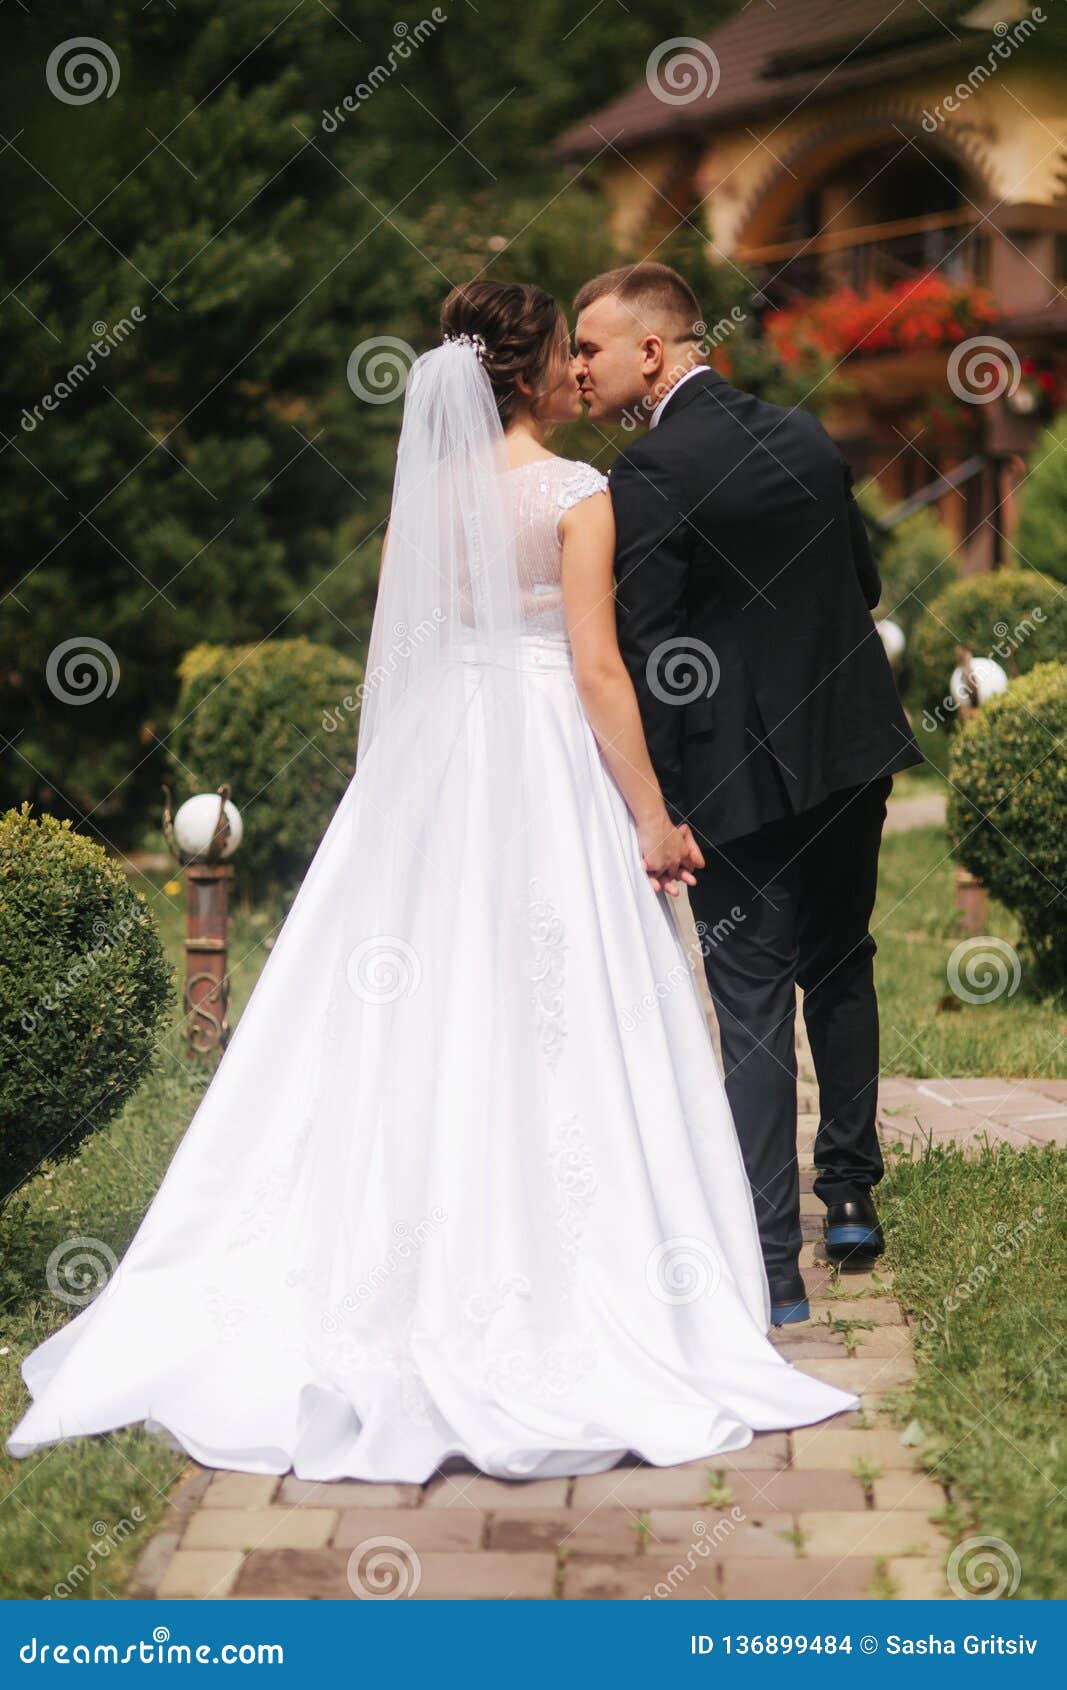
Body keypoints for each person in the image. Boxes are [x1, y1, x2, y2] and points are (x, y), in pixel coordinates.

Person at [8, 280, 856, 1483]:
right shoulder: (578, 494)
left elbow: (395, 658)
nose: (577, 369)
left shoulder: (428, 498)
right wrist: (656, 821)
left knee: (416, 994)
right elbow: (601, 674)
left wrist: (390, 807)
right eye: (566, 351)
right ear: (529, 373)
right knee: (558, 1002)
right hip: (544, 749)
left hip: (435, 760)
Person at [574, 262, 922, 1325]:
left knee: (753, 1003)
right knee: (842, 963)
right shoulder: (804, 434)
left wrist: (664, 804)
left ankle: (773, 1267)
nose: (576, 367)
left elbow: (653, 649)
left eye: (589, 347)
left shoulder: (649, 471)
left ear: (653, 349)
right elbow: (858, 587)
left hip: (739, 774)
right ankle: (849, 1197)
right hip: (850, 745)